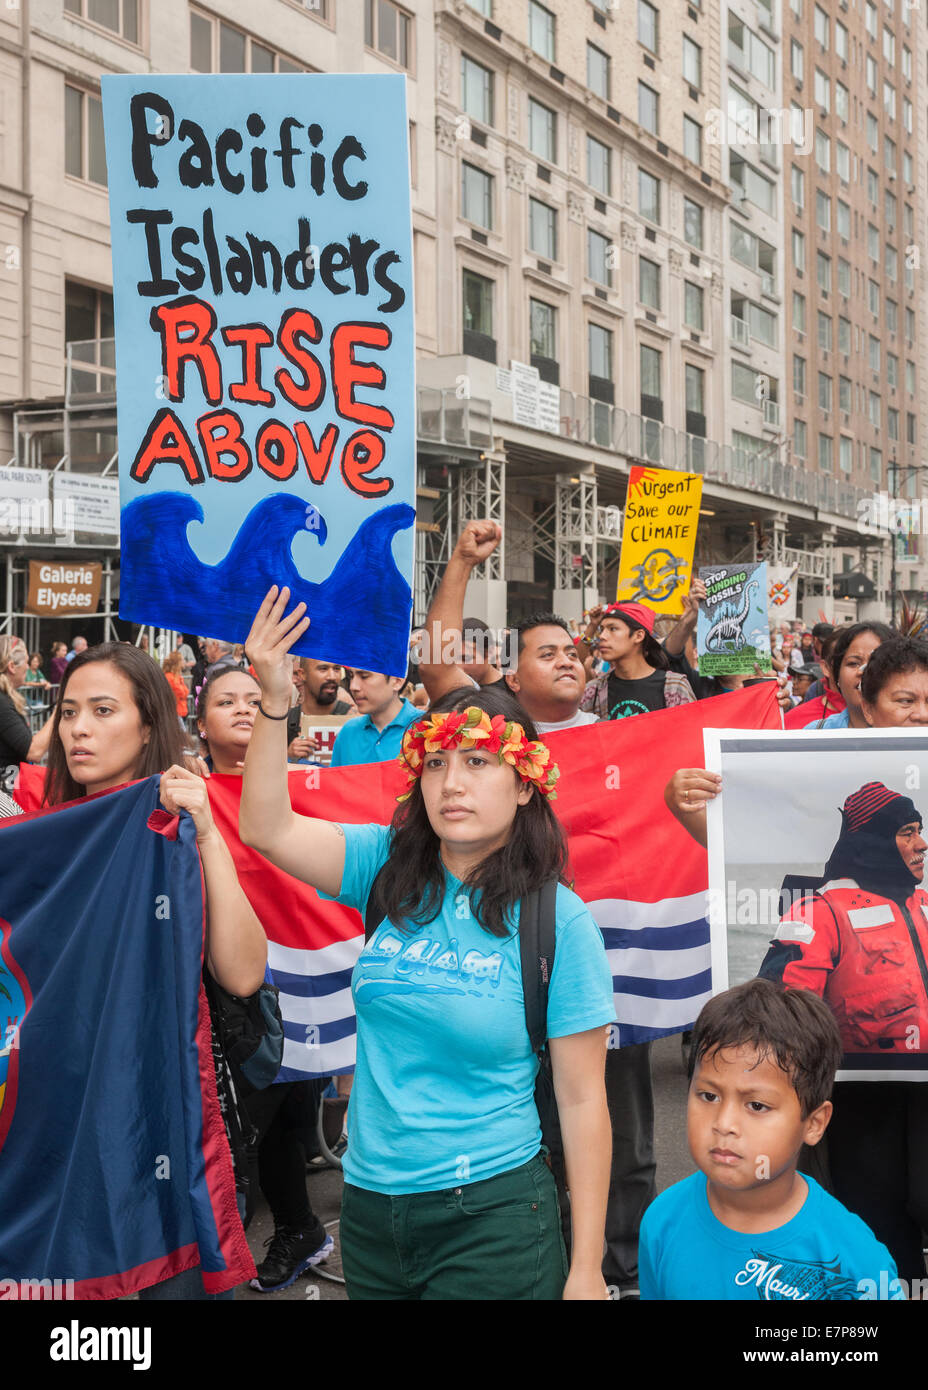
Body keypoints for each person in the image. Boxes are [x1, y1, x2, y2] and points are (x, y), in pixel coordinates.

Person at [240, 586, 616, 1300]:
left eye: (478, 763)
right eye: (437, 764)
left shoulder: (558, 920)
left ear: (526, 784)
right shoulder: (384, 866)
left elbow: (582, 1103)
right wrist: (274, 696)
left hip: (493, 1219)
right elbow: (266, 827)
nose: (453, 784)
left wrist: (588, 1266)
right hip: (371, 1215)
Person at [42, 642, 267, 1299]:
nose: (79, 728)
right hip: (65, 1124)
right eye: (68, 711)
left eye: (103, 710)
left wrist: (206, 831)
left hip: (169, 1119)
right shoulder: (36, 837)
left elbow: (245, 972)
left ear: (148, 727)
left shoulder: (182, 831)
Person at [194, 665, 336, 1290]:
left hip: (304, 976)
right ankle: (290, 1229)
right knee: (255, 1119)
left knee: (274, 1115)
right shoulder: (183, 790)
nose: (244, 710)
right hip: (225, 986)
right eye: (226, 702)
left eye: (256, 700)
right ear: (199, 724)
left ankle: (285, 1231)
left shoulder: (311, 787)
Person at [758, 774, 928, 1281]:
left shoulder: (925, 905)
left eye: (920, 830)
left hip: (926, 1096)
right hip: (862, 1099)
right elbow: (782, 1007)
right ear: (871, 839)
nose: (921, 844)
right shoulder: (820, 909)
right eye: (907, 832)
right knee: (879, 1222)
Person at [639, 979, 901, 1300]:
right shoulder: (662, 1222)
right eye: (708, 1095)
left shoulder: (855, 1262)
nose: (724, 1124)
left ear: (814, 1123)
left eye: (757, 1105)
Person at [417, 521, 507, 701]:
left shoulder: (517, 691)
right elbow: (433, 665)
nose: (457, 666)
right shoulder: (451, 691)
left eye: (465, 658)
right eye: (451, 658)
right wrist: (463, 559)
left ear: (489, 653)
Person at [578, 603, 696, 720]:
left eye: (613, 629)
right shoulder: (593, 692)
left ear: (639, 636)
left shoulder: (675, 688)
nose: (602, 636)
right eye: (601, 629)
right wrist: (592, 626)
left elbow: (691, 734)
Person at [803, 622, 893, 730]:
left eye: (876, 663)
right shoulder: (814, 733)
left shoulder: (915, 729)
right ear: (837, 676)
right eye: (853, 663)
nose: (863, 671)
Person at [329, 667, 420, 768]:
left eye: (364, 676)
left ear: (397, 681)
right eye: (351, 676)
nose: (353, 686)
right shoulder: (348, 733)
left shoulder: (427, 728)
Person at [0, 636, 55, 775]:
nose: (27, 666)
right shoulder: (1, 702)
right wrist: (60, 709)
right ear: (12, 666)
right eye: (26, 661)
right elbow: (33, 751)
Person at [286, 659, 357, 762]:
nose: (332, 676)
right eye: (323, 669)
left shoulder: (354, 720)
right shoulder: (284, 723)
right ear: (302, 674)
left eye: (336, 669)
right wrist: (288, 756)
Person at [162, 649, 191, 728]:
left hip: (179, 712)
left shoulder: (176, 676)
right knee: (182, 737)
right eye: (182, 659)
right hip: (174, 714)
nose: (184, 661)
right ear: (177, 662)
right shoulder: (170, 677)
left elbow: (185, 692)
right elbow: (182, 692)